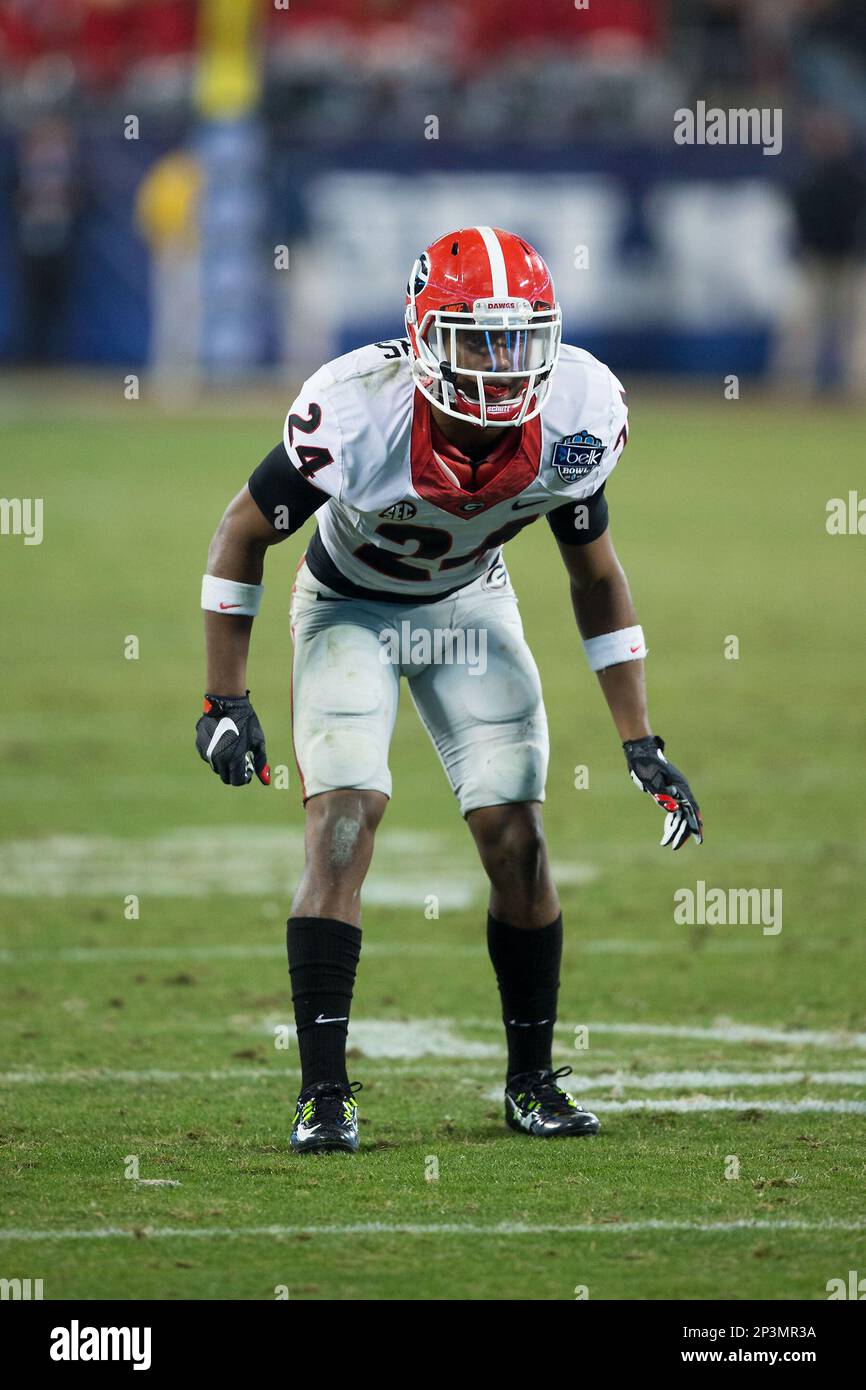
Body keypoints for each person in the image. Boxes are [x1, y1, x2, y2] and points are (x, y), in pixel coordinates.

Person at [196, 226, 703, 1154]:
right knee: (343, 820)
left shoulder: (577, 412)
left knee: (520, 838)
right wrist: (223, 698)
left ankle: (532, 1082)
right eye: (477, 337)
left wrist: (640, 739)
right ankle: (324, 1095)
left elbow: (596, 577)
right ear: (425, 334)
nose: (501, 363)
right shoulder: (360, 410)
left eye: (519, 338)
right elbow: (242, 532)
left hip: (470, 605)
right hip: (349, 606)